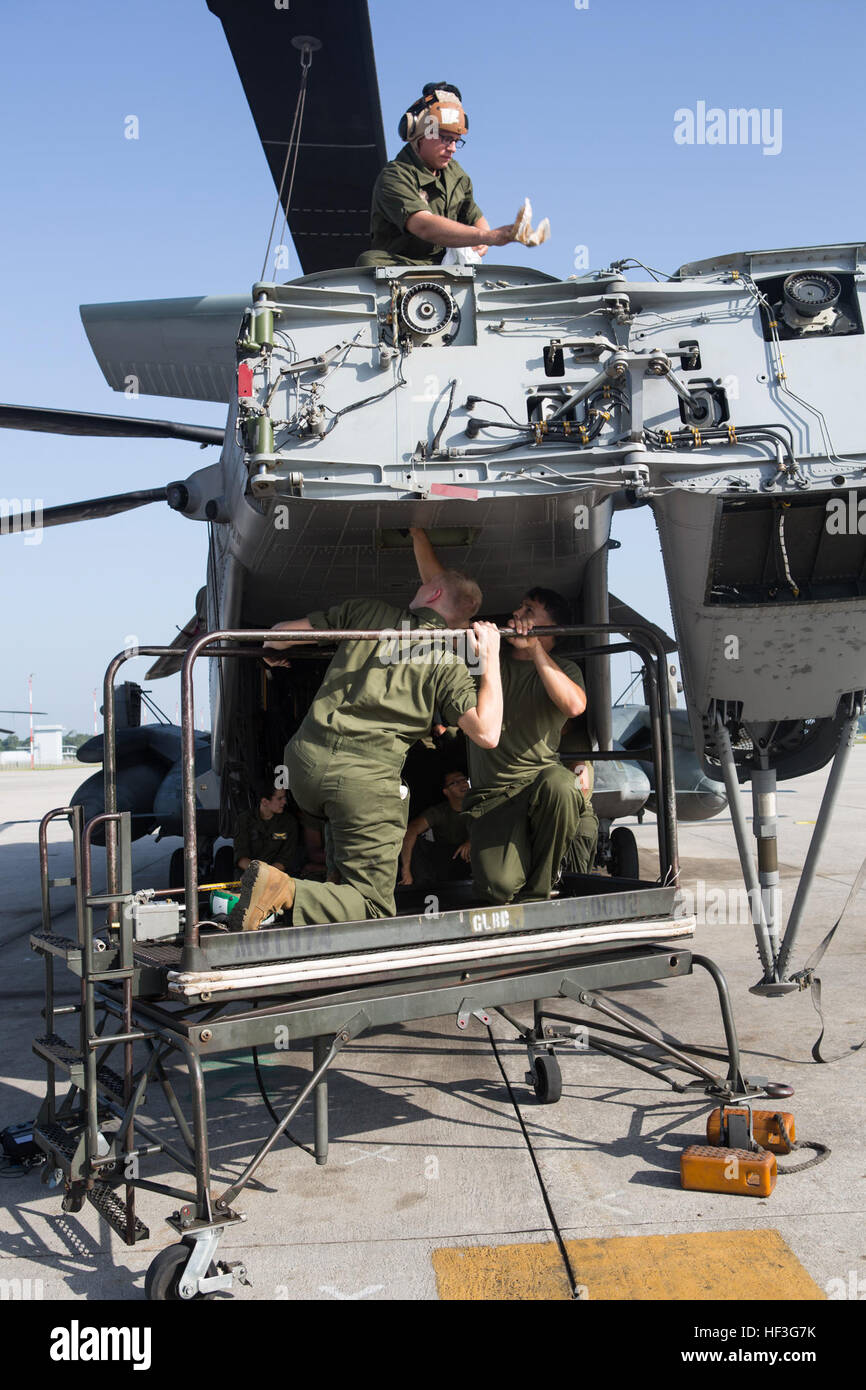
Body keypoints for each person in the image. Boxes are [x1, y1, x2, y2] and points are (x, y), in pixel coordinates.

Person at [229, 569, 503, 931]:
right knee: (373, 904)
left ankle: (329, 900)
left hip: (305, 766)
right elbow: (487, 733)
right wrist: (492, 658)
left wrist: (269, 653)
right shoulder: (447, 663)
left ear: (434, 594)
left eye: (423, 583)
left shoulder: (370, 614)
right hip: (362, 781)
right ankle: (284, 889)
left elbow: (279, 635)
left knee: (344, 873)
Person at [410, 528, 588, 902]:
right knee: (497, 886)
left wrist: (536, 649)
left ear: (549, 629)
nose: (516, 615)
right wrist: (418, 532)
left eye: (528, 612)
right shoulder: (487, 656)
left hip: (539, 785)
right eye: (520, 607)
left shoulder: (564, 669)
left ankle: (541, 891)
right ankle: (518, 878)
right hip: (493, 797)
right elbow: (443, 593)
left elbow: (574, 706)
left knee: (561, 786)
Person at [357, 83, 523, 268]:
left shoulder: (456, 175)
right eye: (445, 138)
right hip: (402, 267)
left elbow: (475, 217)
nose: (452, 148)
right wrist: (489, 237)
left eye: (456, 140)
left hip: (447, 266)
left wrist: (482, 240)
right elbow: (424, 225)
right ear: (420, 133)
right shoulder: (395, 176)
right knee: (370, 262)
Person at [399, 768, 472, 888]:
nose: (462, 784)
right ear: (446, 792)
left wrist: (471, 841)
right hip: (446, 862)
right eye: (455, 782)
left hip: (472, 860)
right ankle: (423, 888)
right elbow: (412, 830)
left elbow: (490, 827)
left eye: (464, 780)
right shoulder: (440, 812)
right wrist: (406, 870)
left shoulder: (480, 805)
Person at [232, 782, 300, 876]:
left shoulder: (288, 822)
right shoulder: (244, 820)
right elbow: (241, 858)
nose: (284, 802)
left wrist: (268, 875)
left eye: (284, 798)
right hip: (249, 875)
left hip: (277, 876)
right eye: (279, 798)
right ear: (264, 801)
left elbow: (285, 859)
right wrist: (258, 874)